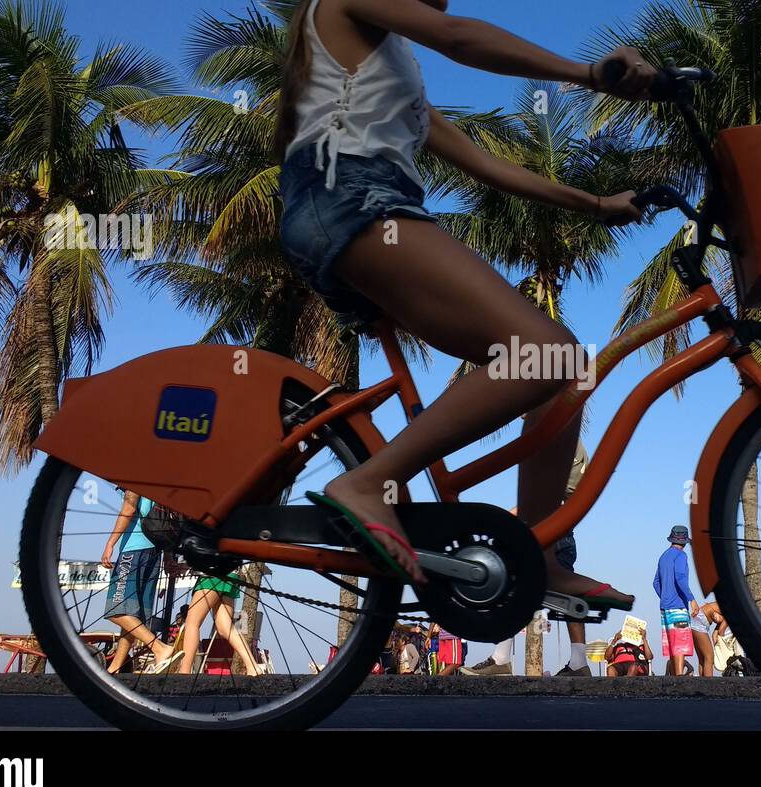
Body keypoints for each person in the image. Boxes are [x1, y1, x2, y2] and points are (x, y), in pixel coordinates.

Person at [276, 0, 654, 607]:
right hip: (350, 200)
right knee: (546, 353)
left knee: (557, 376)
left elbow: (489, 166)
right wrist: (588, 74)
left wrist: (596, 203)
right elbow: (460, 39)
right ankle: (369, 483)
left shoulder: (394, 77)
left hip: (362, 207)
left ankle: (537, 552)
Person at [463, 444, 592, 676]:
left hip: (552, 532)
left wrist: (502, 518)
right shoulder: (561, 438)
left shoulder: (556, 438)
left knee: (515, 586)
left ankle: (502, 659)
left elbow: (545, 498)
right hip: (558, 531)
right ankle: (578, 663)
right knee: (565, 594)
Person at [99, 492, 177, 674]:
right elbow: (163, 519)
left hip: (133, 549)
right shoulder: (157, 478)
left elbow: (129, 508)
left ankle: (160, 648)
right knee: (133, 617)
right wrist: (168, 556)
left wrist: (110, 543)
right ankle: (115, 667)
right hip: (154, 550)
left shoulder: (133, 475)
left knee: (116, 610)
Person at [175, 571, 263, 676]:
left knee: (192, 623)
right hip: (231, 574)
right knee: (225, 628)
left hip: (212, 573)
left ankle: (184, 672)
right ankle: (252, 665)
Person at [653, 525, 697, 676]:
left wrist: (666, 595)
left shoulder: (663, 556)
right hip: (678, 607)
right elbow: (680, 578)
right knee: (680, 644)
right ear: (685, 541)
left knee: (672, 644)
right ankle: (679, 680)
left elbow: (655, 583)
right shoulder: (681, 556)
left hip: (665, 608)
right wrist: (691, 599)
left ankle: (673, 679)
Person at [689, 600, 728, 677]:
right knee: (709, 657)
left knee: (702, 659)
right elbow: (721, 631)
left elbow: (714, 635)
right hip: (699, 622)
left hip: (695, 620)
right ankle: (709, 685)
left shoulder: (725, 606)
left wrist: (716, 647)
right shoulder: (731, 612)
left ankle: (702, 684)